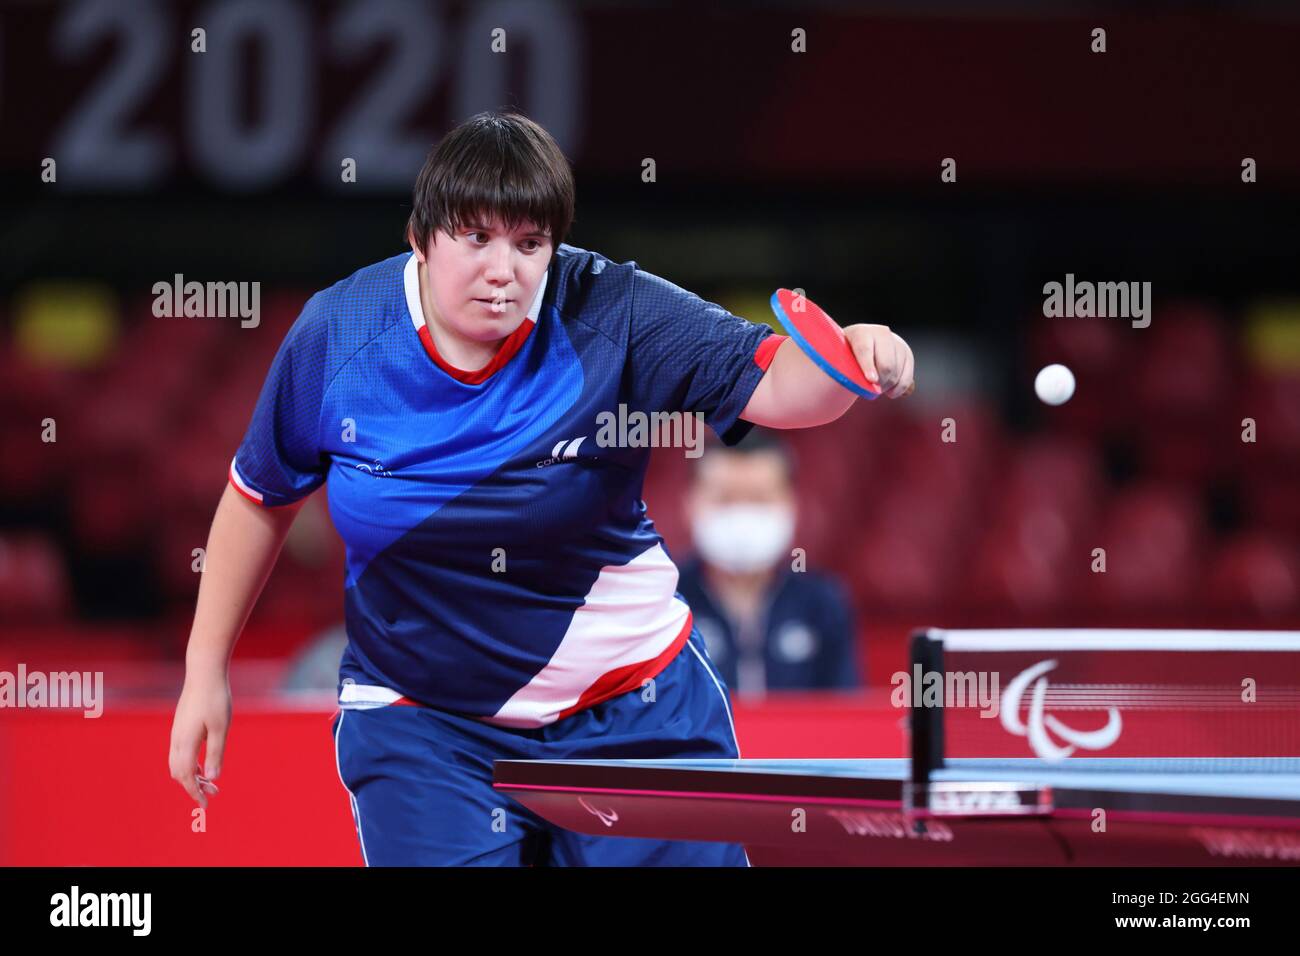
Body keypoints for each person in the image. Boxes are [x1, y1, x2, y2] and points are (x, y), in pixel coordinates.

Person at [168, 110, 914, 866]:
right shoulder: (340, 332)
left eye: (530, 245)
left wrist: (849, 360)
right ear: (421, 235)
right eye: (476, 238)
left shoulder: (612, 310)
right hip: (425, 721)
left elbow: (780, 385)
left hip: (633, 707)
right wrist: (206, 672)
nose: (505, 271)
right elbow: (260, 497)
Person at [678, 430, 861, 695]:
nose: (742, 517)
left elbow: (846, 714)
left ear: (791, 504)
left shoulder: (822, 602)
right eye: (725, 499)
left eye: (759, 499)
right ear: (690, 504)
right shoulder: (665, 599)